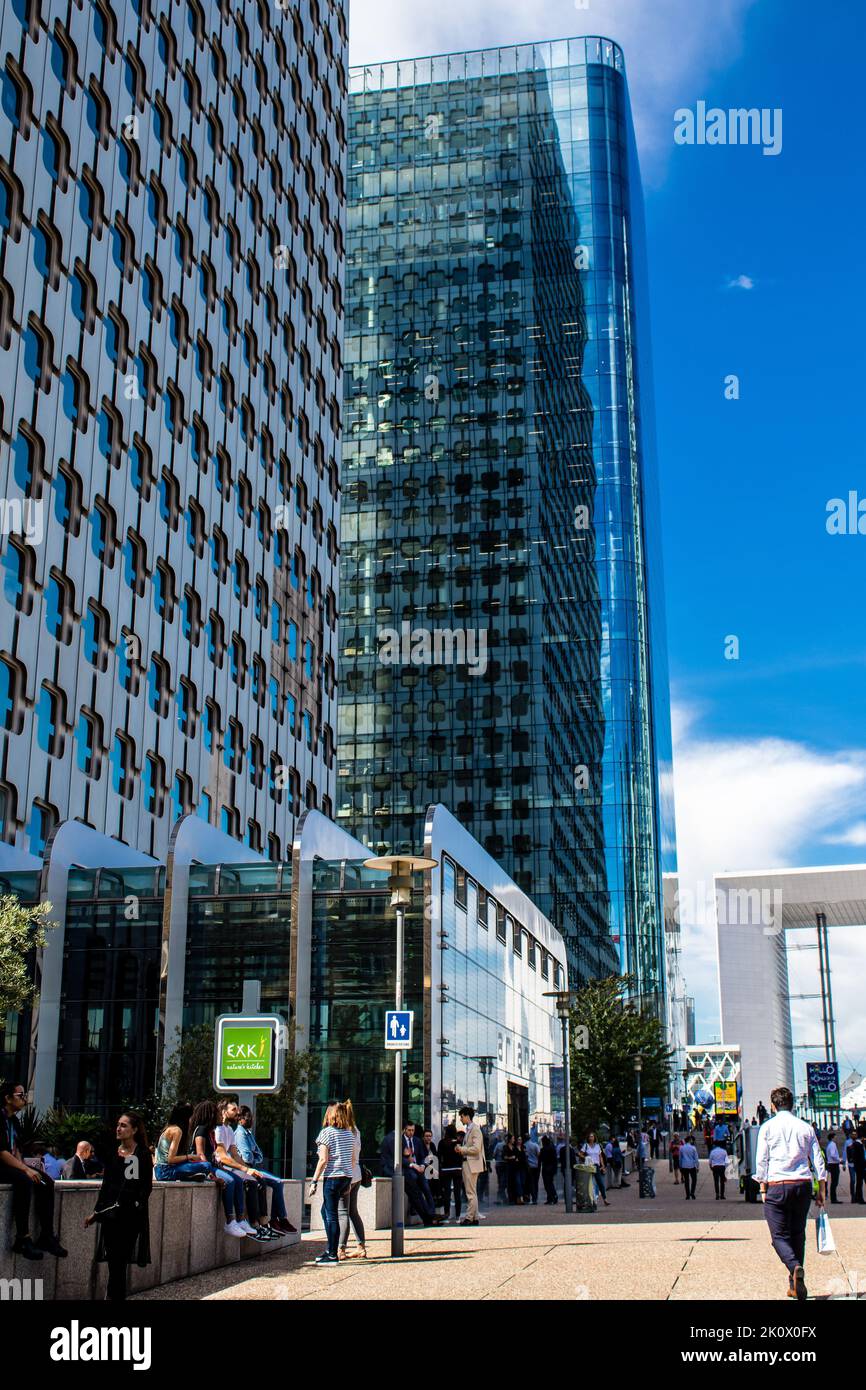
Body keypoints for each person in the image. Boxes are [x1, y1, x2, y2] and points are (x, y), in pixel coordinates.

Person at [756, 1085, 827, 1300]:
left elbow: (762, 1160)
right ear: (792, 1104)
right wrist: (821, 1188)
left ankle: (794, 1267)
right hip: (803, 1184)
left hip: (778, 1183)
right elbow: (818, 1159)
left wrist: (762, 1186)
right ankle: (795, 1283)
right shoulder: (805, 1127)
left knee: (778, 1236)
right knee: (798, 1233)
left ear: (772, 1105)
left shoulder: (767, 1127)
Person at [84, 1111, 152, 1301]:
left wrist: (135, 1205)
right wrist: (96, 1213)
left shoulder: (141, 1154)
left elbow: (143, 1187)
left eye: (124, 1125)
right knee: (115, 1262)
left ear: (134, 1130)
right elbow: (108, 1187)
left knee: (119, 1262)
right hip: (111, 1216)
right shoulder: (114, 1153)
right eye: (118, 1125)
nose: (119, 1129)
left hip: (129, 1216)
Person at [0, 1079, 67, 1261]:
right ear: (7, 1098)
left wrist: (27, 1168)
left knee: (46, 1181)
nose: (25, 1099)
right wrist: (25, 1170)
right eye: (20, 1095)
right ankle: (22, 1238)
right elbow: (2, 1152)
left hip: (12, 1164)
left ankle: (46, 1235)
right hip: (2, 1164)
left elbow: (18, 1151)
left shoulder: (14, 1121)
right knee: (24, 1180)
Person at [213, 1099, 275, 1241]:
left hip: (231, 1166)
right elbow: (222, 1156)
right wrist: (245, 1170)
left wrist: (248, 1170)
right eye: (233, 1110)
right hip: (222, 1167)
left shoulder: (229, 1130)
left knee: (258, 1180)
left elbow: (234, 1154)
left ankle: (253, 1223)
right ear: (224, 1112)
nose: (237, 1112)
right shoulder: (218, 1130)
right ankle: (247, 1222)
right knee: (246, 1182)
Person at [188, 1099, 246, 1238]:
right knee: (230, 1181)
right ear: (211, 1115)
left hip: (213, 1165)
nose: (221, 1116)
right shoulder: (201, 1130)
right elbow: (200, 1155)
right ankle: (230, 1221)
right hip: (205, 1166)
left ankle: (240, 1219)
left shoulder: (211, 1132)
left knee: (238, 1180)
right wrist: (212, 1176)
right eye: (218, 1114)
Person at [308, 1103, 357, 1264]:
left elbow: (323, 1160)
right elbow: (351, 1159)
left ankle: (332, 1255)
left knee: (331, 1216)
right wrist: (349, 1181)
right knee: (325, 1212)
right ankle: (330, 1250)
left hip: (333, 1177)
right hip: (346, 1177)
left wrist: (314, 1181)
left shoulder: (326, 1133)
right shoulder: (349, 1134)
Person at [234, 1105, 296, 1233]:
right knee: (277, 1182)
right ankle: (276, 1219)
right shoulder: (240, 1134)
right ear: (240, 1119)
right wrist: (254, 1156)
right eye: (248, 1117)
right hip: (248, 1169)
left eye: (251, 1117)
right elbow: (247, 1157)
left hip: (253, 1166)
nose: (251, 1120)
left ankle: (277, 1219)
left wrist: (254, 1156)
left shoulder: (248, 1134)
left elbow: (259, 1155)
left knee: (278, 1182)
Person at [335, 1099, 366, 1259]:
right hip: (357, 1175)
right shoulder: (355, 1130)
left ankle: (341, 1249)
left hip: (347, 1175)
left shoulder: (344, 1132)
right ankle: (361, 1246)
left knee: (343, 1213)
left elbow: (350, 1157)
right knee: (353, 1212)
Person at [401, 1120, 438, 1227]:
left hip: (420, 1169)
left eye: (413, 1130)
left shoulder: (417, 1141)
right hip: (409, 1169)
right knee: (416, 1189)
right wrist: (412, 1164)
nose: (411, 1132)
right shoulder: (400, 1141)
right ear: (404, 1130)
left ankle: (431, 1214)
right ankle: (424, 1214)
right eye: (409, 1130)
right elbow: (400, 1158)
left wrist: (422, 1165)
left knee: (426, 1189)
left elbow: (423, 1156)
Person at [455, 1105, 485, 1226]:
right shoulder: (471, 1129)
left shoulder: (475, 1129)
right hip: (471, 1163)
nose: (461, 1119)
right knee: (472, 1192)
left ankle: (469, 1217)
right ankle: (474, 1217)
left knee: (470, 1192)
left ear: (467, 1116)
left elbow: (476, 1148)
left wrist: (462, 1149)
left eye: (462, 1117)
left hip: (471, 1163)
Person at [438, 1123, 464, 1222]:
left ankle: (446, 1215)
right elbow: (461, 1156)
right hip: (457, 1170)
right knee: (457, 1194)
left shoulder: (442, 1142)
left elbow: (439, 1156)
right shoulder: (458, 1143)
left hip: (446, 1170)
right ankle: (458, 1217)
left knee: (447, 1194)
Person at [581, 1131, 610, 1206]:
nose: (591, 1138)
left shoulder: (597, 1146)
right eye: (590, 1136)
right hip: (589, 1166)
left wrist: (602, 1166)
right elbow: (579, 1153)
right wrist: (586, 1157)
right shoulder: (586, 1145)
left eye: (592, 1136)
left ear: (594, 1137)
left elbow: (600, 1157)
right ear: (588, 1138)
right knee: (589, 1183)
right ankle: (590, 1199)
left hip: (596, 1166)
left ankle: (605, 1199)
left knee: (600, 1182)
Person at [679, 1133, 699, 1199]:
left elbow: (680, 1158)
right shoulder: (693, 1148)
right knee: (694, 1179)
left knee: (686, 1181)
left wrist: (680, 1166)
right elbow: (696, 1158)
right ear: (690, 1140)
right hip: (692, 1165)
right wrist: (697, 1166)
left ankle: (687, 1195)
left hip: (684, 1165)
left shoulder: (681, 1148)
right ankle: (692, 1192)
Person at [848, 1132, 866, 1204]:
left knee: (859, 1182)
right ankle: (859, 1198)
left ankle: (858, 1197)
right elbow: (860, 1157)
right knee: (859, 1183)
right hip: (860, 1166)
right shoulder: (858, 1145)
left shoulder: (857, 1144)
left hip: (859, 1166)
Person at [540, 1134, 558, 1203]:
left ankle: (551, 1198)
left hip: (546, 1168)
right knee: (550, 1183)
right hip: (551, 1168)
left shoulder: (544, 1149)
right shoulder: (552, 1148)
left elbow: (541, 1158)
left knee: (547, 1184)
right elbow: (555, 1159)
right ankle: (553, 1197)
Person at [825, 1130, 842, 1204]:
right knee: (835, 1182)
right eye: (835, 1137)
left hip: (831, 1163)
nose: (836, 1138)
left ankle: (833, 1198)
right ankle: (833, 1198)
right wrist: (838, 1160)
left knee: (834, 1182)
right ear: (832, 1138)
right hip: (834, 1164)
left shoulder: (829, 1145)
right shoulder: (833, 1145)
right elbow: (832, 1154)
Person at [524, 1131, 541, 1204]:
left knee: (529, 1183)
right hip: (536, 1166)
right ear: (530, 1138)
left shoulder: (524, 1146)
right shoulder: (535, 1145)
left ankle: (528, 1197)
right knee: (535, 1182)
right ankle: (535, 1198)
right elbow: (539, 1155)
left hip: (528, 1167)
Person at [493, 1132, 508, 1204]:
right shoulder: (505, 1145)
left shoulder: (499, 1145)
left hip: (499, 1164)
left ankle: (501, 1196)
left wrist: (497, 1159)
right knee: (503, 1181)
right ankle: (501, 1196)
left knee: (501, 1181)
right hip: (503, 1165)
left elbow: (494, 1154)